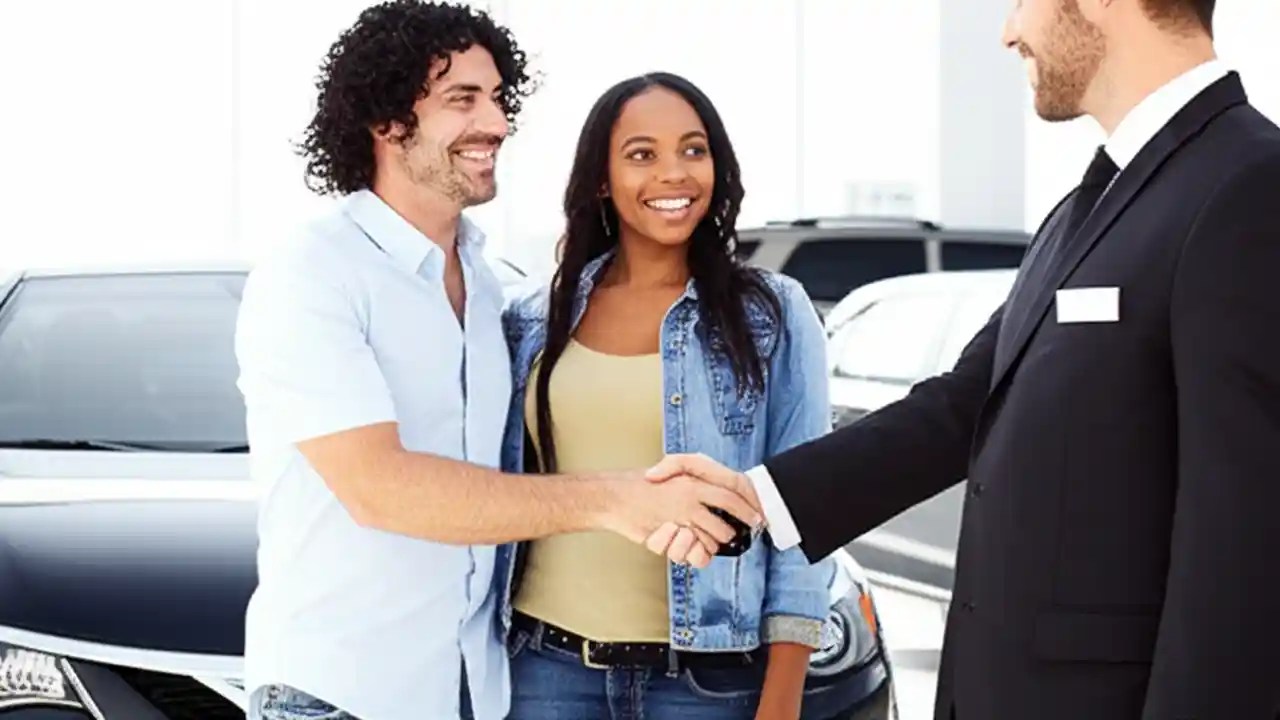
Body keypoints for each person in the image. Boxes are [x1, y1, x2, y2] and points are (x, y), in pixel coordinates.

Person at [647, 0, 1280, 718]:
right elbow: (964, 404)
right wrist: (757, 496)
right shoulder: (1090, 204)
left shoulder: (1251, 187)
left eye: (1020, 2)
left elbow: (1245, 547)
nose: (1009, 32)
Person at [233, 4, 761, 720]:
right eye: (463, 100)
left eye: (498, 99)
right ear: (389, 122)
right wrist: (618, 499)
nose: (498, 123)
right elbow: (378, 489)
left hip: (475, 693)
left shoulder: (492, 289)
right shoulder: (314, 271)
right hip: (338, 697)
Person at [496, 72, 842, 720]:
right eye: (641, 155)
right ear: (601, 178)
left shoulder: (772, 314)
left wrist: (782, 699)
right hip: (545, 672)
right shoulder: (533, 319)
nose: (674, 174)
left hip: (707, 686)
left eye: (692, 149)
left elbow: (805, 516)